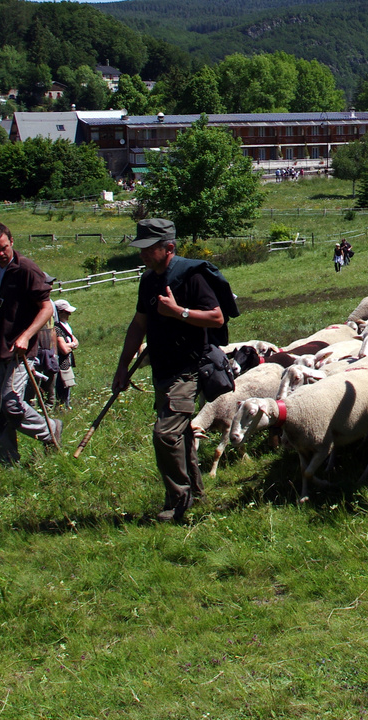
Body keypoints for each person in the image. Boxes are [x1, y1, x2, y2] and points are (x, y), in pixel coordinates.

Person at [111, 219, 226, 525]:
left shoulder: (192, 277)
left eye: (148, 249)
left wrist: (179, 312)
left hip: (186, 369)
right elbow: (139, 325)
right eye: (141, 249)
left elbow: (216, 318)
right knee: (181, 435)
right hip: (162, 369)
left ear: (169, 248)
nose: (143, 255)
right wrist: (123, 367)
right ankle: (197, 493)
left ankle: (178, 500)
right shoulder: (148, 280)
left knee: (165, 435)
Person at [0, 223, 61, 464]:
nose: (1, 253)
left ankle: (50, 430)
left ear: (12, 242)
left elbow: (47, 308)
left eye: (4, 247)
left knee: (12, 404)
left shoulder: (26, 269)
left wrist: (26, 335)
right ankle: (8, 465)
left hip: (22, 349)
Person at [51, 298, 79, 408]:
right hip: (61, 364)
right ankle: (62, 409)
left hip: (66, 363)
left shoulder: (65, 327)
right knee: (61, 390)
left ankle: (65, 408)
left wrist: (70, 345)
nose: (69, 315)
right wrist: (71, 345)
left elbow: (75, 341)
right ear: (59, 313)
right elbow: (64, 349)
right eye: (67, 313)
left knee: (67, 388)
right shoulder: (57, 328)